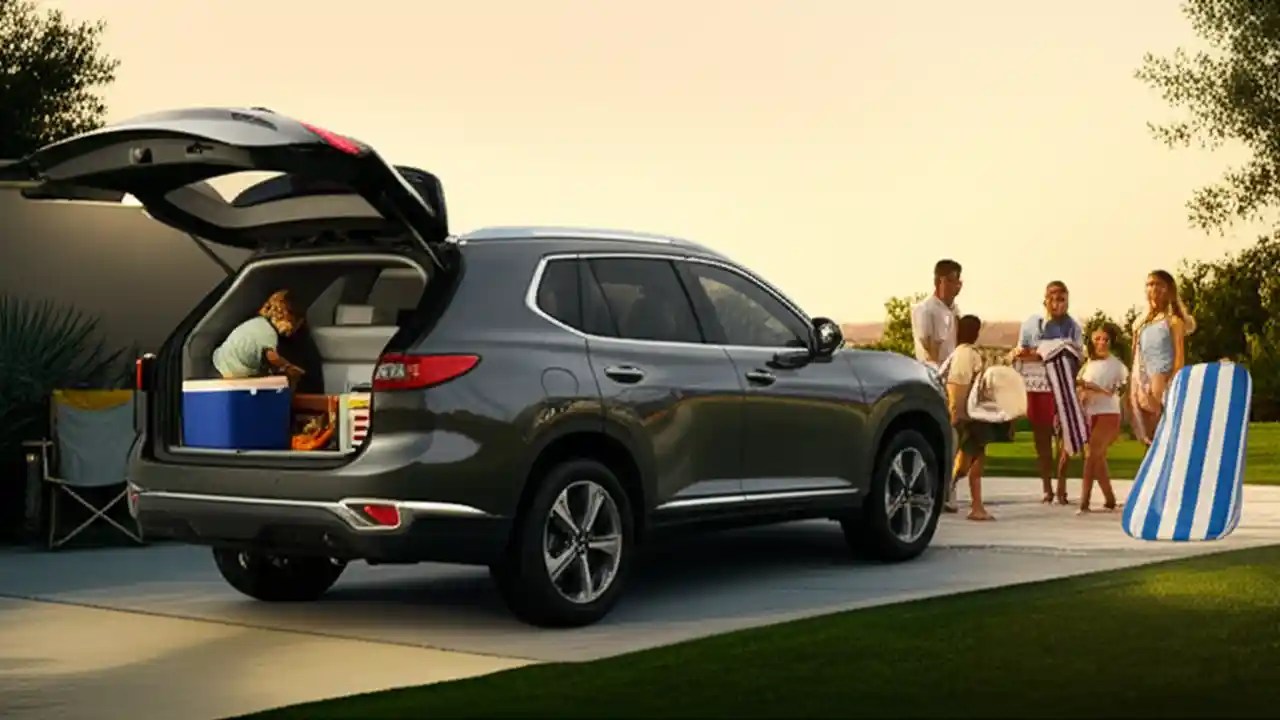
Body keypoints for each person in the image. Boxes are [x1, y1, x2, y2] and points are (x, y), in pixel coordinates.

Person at [1011, 281, 1083, 505]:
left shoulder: (1073, 327)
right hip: (1038, 385)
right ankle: (1046, 487)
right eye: (1054, 299)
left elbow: (1076, 355)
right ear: (1046, 301)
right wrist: (1043, 352)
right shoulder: (1032, 324)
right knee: (1041, 439)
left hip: (1063, 386)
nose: (1058, 304)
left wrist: (1047, 352)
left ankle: (1062, 484)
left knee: (1064, 436)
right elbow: (1022, 352)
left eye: (1062, 300)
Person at [1130, 270, 1195, 444]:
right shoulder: (1140, 324)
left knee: (1159, 423)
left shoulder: (1173, 321)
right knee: (1146, 431)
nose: (1154, 288)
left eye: (1159, 284)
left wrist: (1173, 380)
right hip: (1141, 377)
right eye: (1150, 284)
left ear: (1168, 289)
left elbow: (1179, 355)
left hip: (1162, 375)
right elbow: (1135, 355)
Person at [944, 314, 996, 521]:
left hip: (958, 413)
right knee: (976, 460)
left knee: (963, 461)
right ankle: (976, 506)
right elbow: (965, 385)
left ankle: (948, 491)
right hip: (970, 415)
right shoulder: (971, 355)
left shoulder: (955, 354)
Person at [1076, 324, 1127, 514]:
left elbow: (1123, 387)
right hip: (1090, 414)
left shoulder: (1117, 365)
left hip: (1109, 413)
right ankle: (1110, 499)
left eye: (1105, 339)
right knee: (1097, 459)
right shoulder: (1088, 365)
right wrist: (1083, 392)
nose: (1101, 343)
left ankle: (1084, 502)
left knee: (1092, 455)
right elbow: (1079, 385)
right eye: (1097, 339)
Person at [211, 289, 307, 387]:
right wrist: (289, 367)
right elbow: (272, 357)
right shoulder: (268, 333)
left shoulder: (257, 323)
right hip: (228, 374)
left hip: (220, 363)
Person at [911, 259, 962, 368]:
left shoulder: (954, 311)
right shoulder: (925, 309)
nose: (954, 285)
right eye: (949, 281)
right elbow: (929, 349)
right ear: (938, 282)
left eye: (955, 281)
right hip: (930, 372)